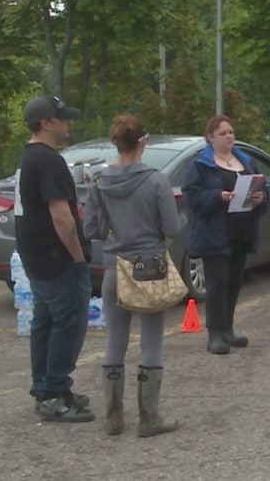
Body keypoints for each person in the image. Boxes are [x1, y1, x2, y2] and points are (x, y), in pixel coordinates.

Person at [83, 114, 182, 436]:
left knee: (115, 342)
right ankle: (149, 418)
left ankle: (113, 417)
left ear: (116, 143)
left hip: (114, 268)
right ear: (143, 142)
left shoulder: (99, 181)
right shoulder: (156, 180)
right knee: (151, 343)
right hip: (149, 268)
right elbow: (172, 227)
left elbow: (93, 229)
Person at [14, 95, 94, 422]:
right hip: (57, 258)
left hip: (36, 258)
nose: (68, 123)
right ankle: (54, 392)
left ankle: (46, 387)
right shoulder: (49, 161)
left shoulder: (28, 157)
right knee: (67, 324)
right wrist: (77, 256)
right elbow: (61, 215)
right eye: (63, 119)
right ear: (46, 123)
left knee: (44, 323)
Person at [183, 115, 269, 355]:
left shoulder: (246, 161)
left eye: (231, 132)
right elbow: (192, 197)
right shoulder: (199, 164)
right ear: (211, 137)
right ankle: (215, 334)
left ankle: (228, 329)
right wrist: (217, 197)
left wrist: (261, 199)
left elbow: (263, 189)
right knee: (217, 285)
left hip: (242, 230)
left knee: (234, 283)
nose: (230, 136)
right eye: (223, 133)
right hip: (215, 234)